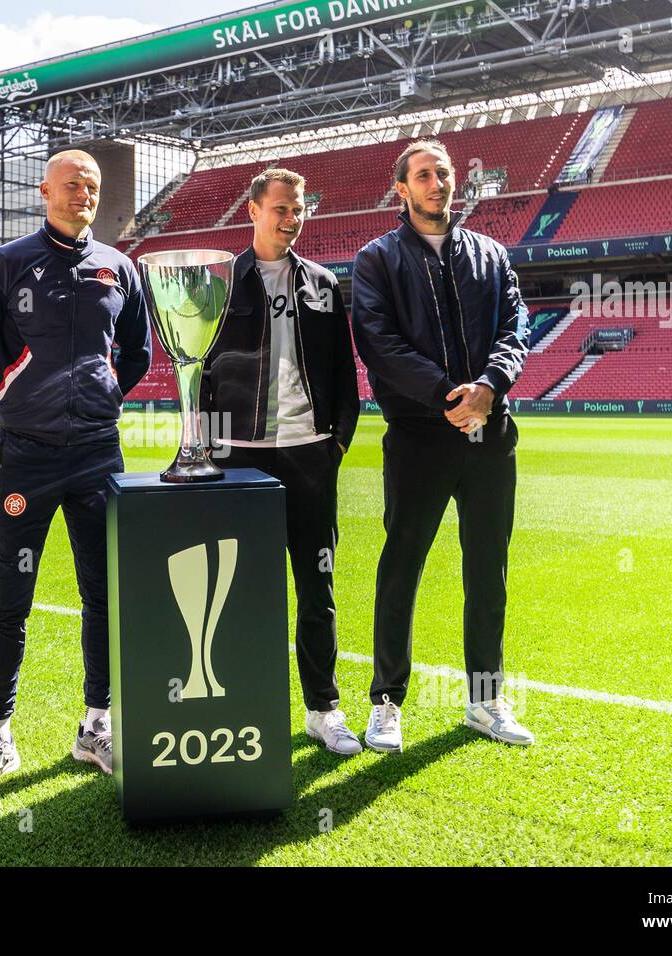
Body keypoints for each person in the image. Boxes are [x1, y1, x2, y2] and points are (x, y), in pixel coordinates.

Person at [0, 149, 151, 796]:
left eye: (91, 187)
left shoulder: (119, 267)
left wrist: (104, 397)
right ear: (45, 191)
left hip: (98, 455)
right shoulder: (9, 263)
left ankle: (97, 724)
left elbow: (137, 352)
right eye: (71, 185)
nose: (82, 195)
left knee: (106, 593)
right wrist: (13, 396)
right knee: (10, 599)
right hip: (27, 457)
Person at [350, 139, 534, 752]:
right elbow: (378, 342)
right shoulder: (377, 260)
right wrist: (444, 394)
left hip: (491, 434)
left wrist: (488, 387)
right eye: (424, 175)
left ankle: (485, 700)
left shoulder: (491, 254)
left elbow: (516, 326)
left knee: (489, 571)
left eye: (444, 173)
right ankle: (385, 703)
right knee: (401, 566)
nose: (437, 183)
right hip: (418, 438)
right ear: (401, 189)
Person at [199, 167, 361, 754]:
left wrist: (336, 441)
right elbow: (203, 376)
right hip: (241, 461)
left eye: (299, 209)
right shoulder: (219, 282)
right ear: (253, 210)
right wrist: (211, 452)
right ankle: (248, 707)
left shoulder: (321, 282)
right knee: (241, 592)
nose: (292, 219)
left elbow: (344, 371)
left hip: (310, 459)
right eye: (282, 209)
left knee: (317, 590)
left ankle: (324, 709)